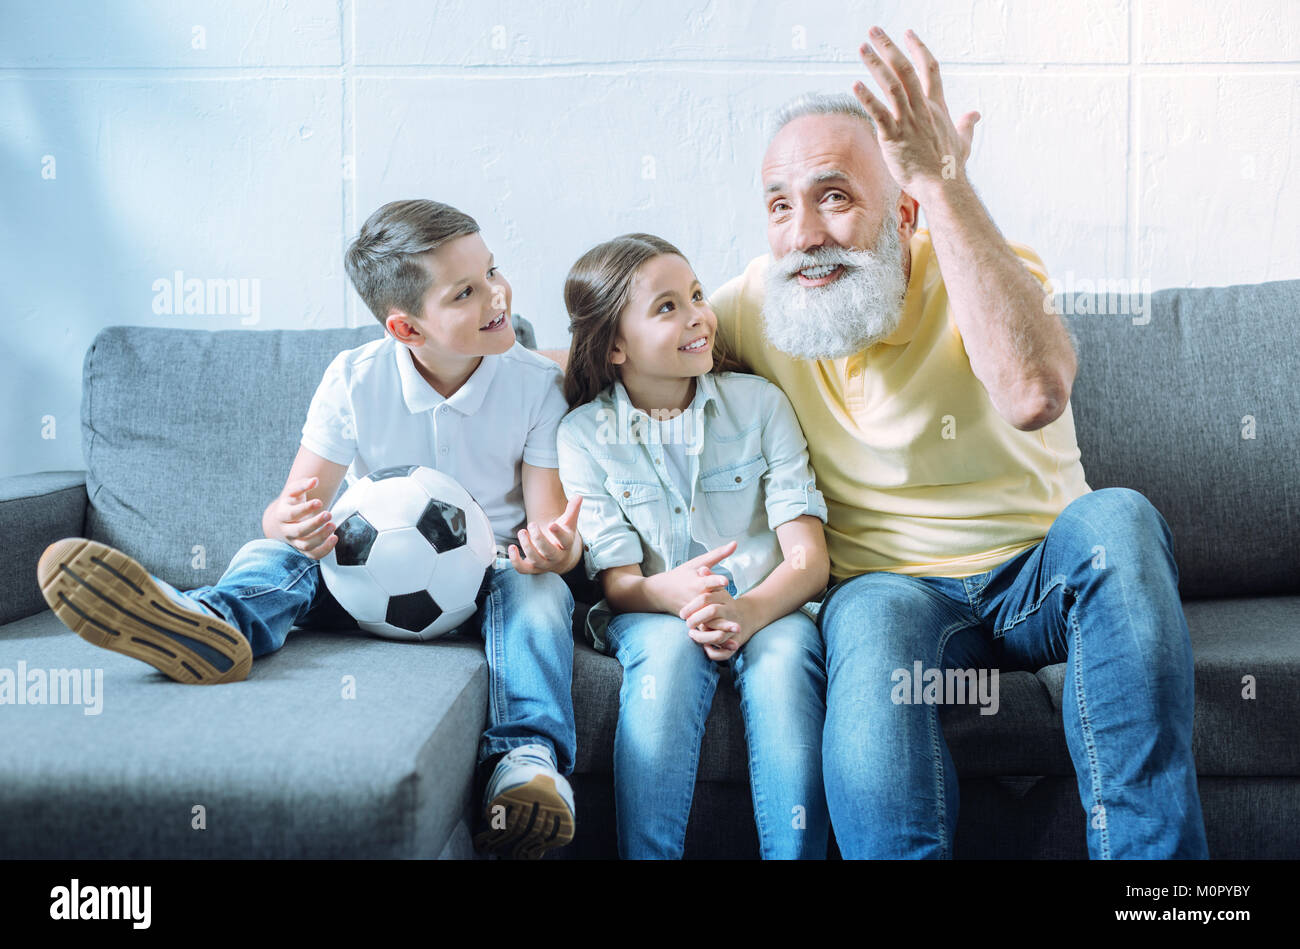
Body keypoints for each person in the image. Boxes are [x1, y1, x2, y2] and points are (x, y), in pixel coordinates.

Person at [543, 27, 1207, 860]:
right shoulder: (762, 302)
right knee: (866, 610)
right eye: (781, 205)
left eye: (835, 196)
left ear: (904, 212)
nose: (804, 233)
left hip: (1040, 568)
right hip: (895, 591)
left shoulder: (977, 268)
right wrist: (472, 354)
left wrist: (941, 177)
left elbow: (1034, 393)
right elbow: (630, 343)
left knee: (1119, 519)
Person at [37, 199, 584, 860]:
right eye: (466, 291)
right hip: (359, 587)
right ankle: (209, 626)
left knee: (540, 592)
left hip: (481, 589)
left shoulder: (534, 383)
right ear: (406, 327)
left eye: (492, 271)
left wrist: (557, 549)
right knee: (275, 551)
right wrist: (292, 520)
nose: (497, 294)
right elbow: (286, 510)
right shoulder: (354, 378)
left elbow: (550, 521)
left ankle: (524, 762)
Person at [555, 232, 832, 859]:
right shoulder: (583, 435)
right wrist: (668, 593)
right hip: (656, 610)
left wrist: (749, 612)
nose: (698, 316)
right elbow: (620, 583)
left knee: (787, 665)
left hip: (771, 604)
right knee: (671, 658)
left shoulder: (759, 405)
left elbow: (808, 561)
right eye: (667, 306)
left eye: (697, 296)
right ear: (616, 345)